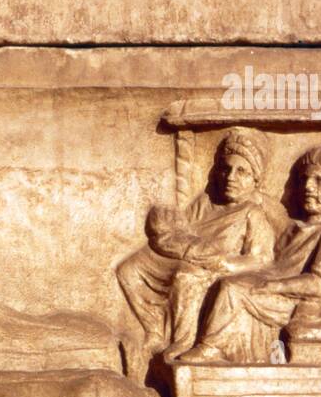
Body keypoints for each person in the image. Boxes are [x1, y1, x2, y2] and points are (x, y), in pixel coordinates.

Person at [117, 127, 287, 362]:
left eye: (242, 172)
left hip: (214, 270)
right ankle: (155, 330)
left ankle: (184, 341)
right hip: (190, 256)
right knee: (129, 269)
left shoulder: (252, 214)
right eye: (226, 169)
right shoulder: (205, 203)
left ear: (254, 180)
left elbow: (261, 259)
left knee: (187, 277)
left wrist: (225, 265)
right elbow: (182, 231)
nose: (231, 177)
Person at [179, 145, 321, 364]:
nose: (309, 187)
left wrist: (275, 286)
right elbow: (265, 207)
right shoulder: (295, 227)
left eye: (320, 181)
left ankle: (211, 348)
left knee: (232, 289)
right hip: (275, 289)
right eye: (304, 180)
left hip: (303, 304)